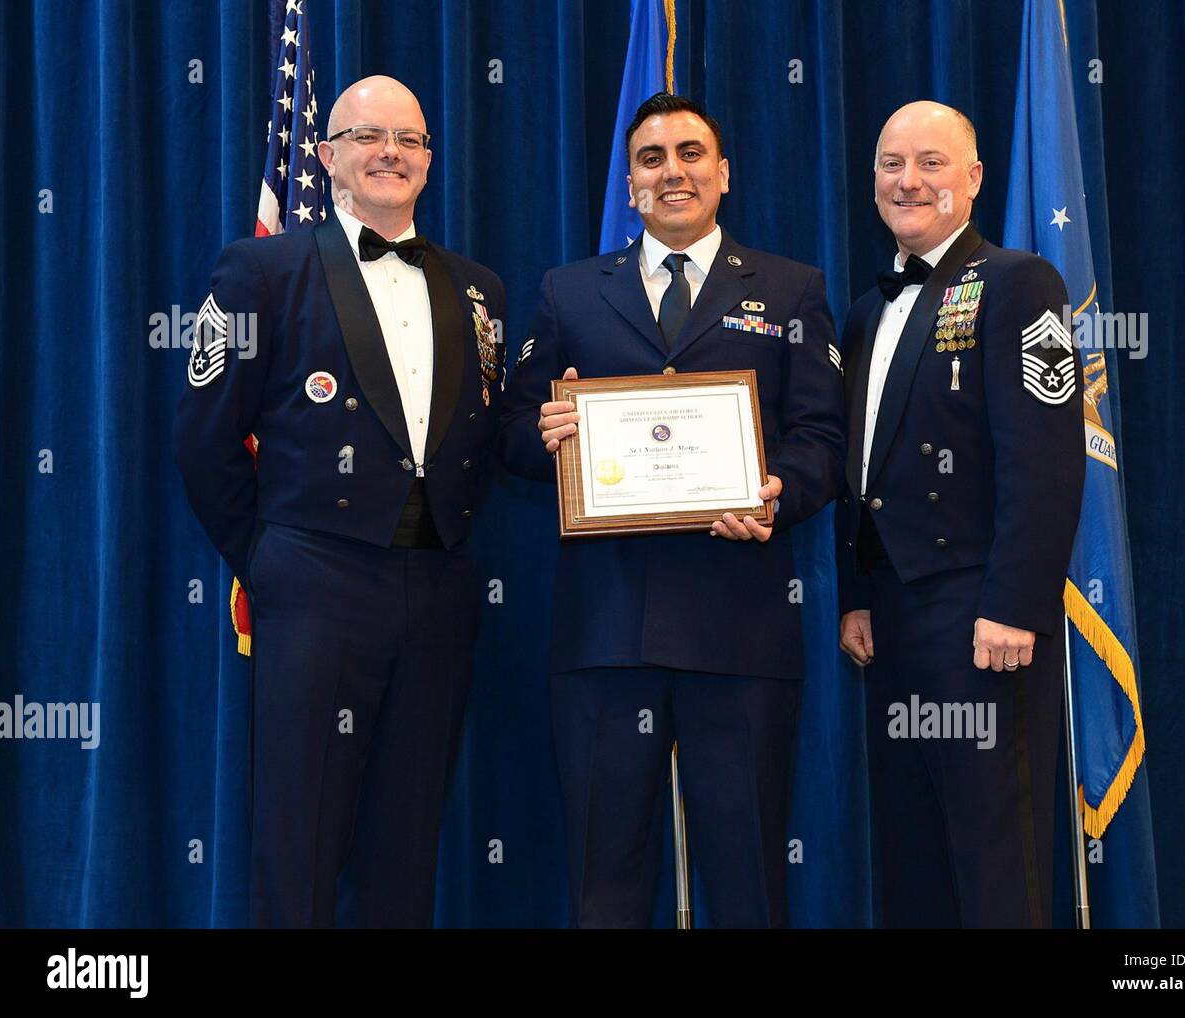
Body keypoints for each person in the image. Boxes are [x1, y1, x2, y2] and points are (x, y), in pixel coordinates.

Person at [498, 92, 844, 928]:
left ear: (723, 176)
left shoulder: (792, 289)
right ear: (630, 185)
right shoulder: (568, 292)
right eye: (652, 158)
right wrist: (543, 432)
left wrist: (777, 494)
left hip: (740, 629)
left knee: (749, 883)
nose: (672, 171)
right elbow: (507, 432)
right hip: (606, 635)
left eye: (691, 154)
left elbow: (823, 437)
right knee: (605, 885)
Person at [173, 76, 505, 927]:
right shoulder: (261, 269)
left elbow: (488, 443)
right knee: (300, 839)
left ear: (429, 162)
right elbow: (204, 439)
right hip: (315, 585)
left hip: (438, 588)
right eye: (367, 136)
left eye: (410, 139)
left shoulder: (479, 291)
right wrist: (272, 561)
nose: (390, 152)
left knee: (407, 842)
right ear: (327, 157)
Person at [836, 100, 1084, 927]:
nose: (908, 180)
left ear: (973, 179)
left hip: (982, 618)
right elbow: (863, 466)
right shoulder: (867, 311)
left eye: (931, 162)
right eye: (891, 163)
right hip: (895, 618)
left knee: (992, 852)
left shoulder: (1021, 283)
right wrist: (857, 591)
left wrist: (1012, 604)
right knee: (914, 849)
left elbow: (1044, 462)